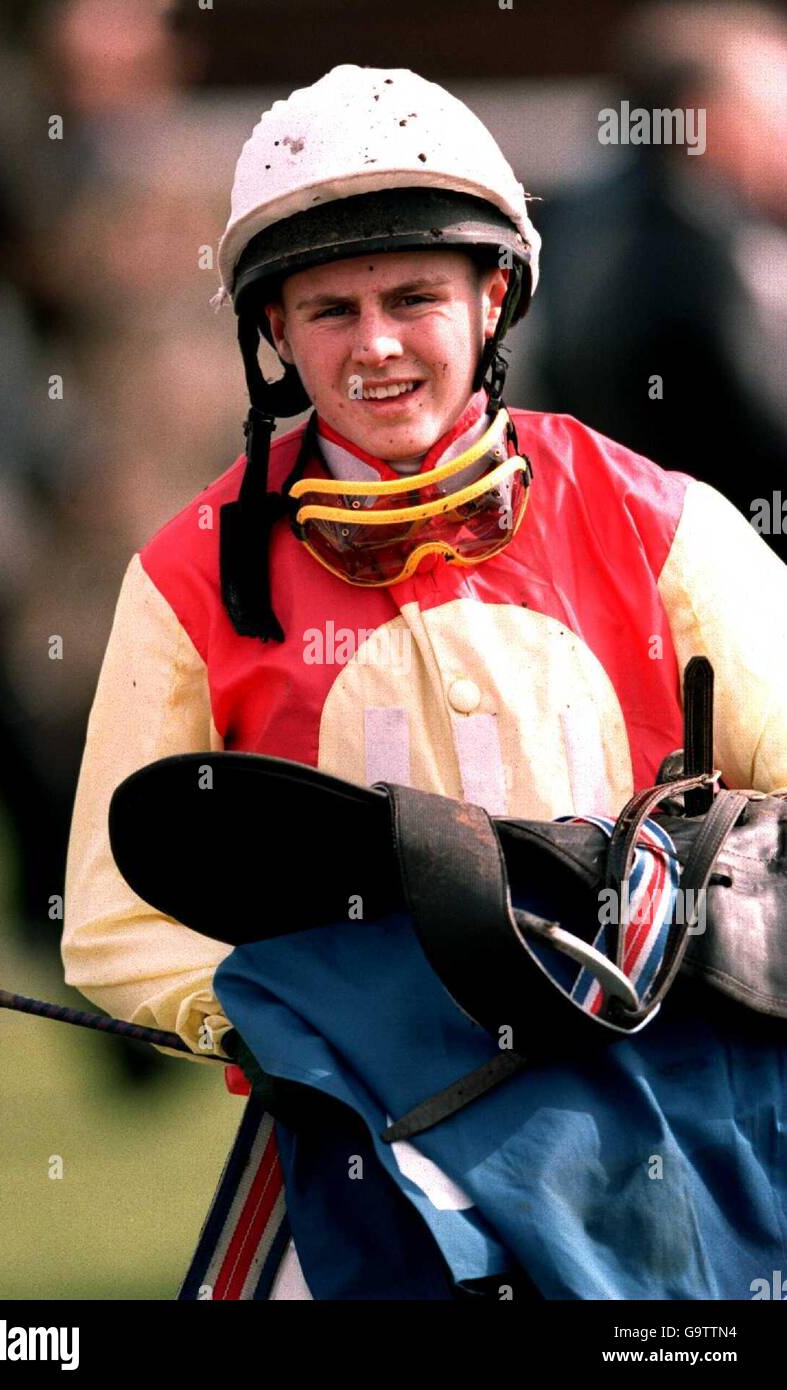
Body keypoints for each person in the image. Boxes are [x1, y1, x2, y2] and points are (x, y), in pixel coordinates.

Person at [61, 65, 787, 1298]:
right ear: (274, 333)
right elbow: (115, 923)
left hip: (667, 1127)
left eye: (415, 297)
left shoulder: (669, 525)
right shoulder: (187, 577)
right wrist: (323, 1021)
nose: (377, 344)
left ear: (494, 297)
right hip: (358, 1145)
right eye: (330, 310)